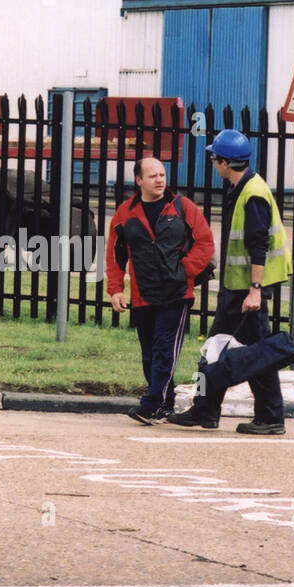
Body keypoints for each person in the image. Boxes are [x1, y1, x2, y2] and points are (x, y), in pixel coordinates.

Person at [168, 129, 293, 434]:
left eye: (214, 158)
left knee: (256, 354)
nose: (212, 162)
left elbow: (258, 244)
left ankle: (270, 417)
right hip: (235, 289)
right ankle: (205, 410)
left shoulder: (253, 195)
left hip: (247, 292)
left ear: (224, 162)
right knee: (214, 349)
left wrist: (255, 291)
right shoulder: (240, 187)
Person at [106, 156, 215, 425]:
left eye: (162, 174)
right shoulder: (125, 213)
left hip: (176, 294)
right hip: (143, 295)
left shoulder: (183, 207)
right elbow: (115, 255)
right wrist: (116, 289)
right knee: (149, 353)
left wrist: (184, 270)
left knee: (165, 349)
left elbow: (205, 243)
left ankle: (152, 403)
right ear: (139, 180)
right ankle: (165, 405)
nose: (160, 180)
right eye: (153, 176)